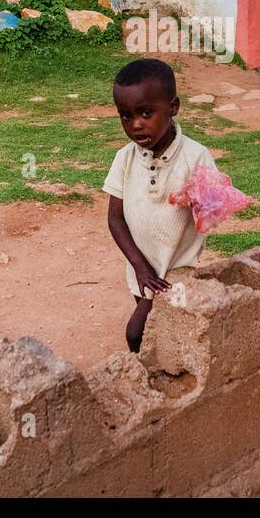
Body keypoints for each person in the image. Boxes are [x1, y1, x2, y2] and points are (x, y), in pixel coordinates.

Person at [104, 58, 217, 352]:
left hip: (177, 270)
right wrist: (139, 266)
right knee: (157, 331)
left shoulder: (196, 157)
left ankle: (144, 373)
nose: (136, 124)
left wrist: (200, 201)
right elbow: (115, 218)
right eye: (125, 116)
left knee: (137, 333)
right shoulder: (125, 158)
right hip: (140, 268)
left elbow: (212, 214)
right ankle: (153, 370)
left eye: (146, 112)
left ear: (173, 107)